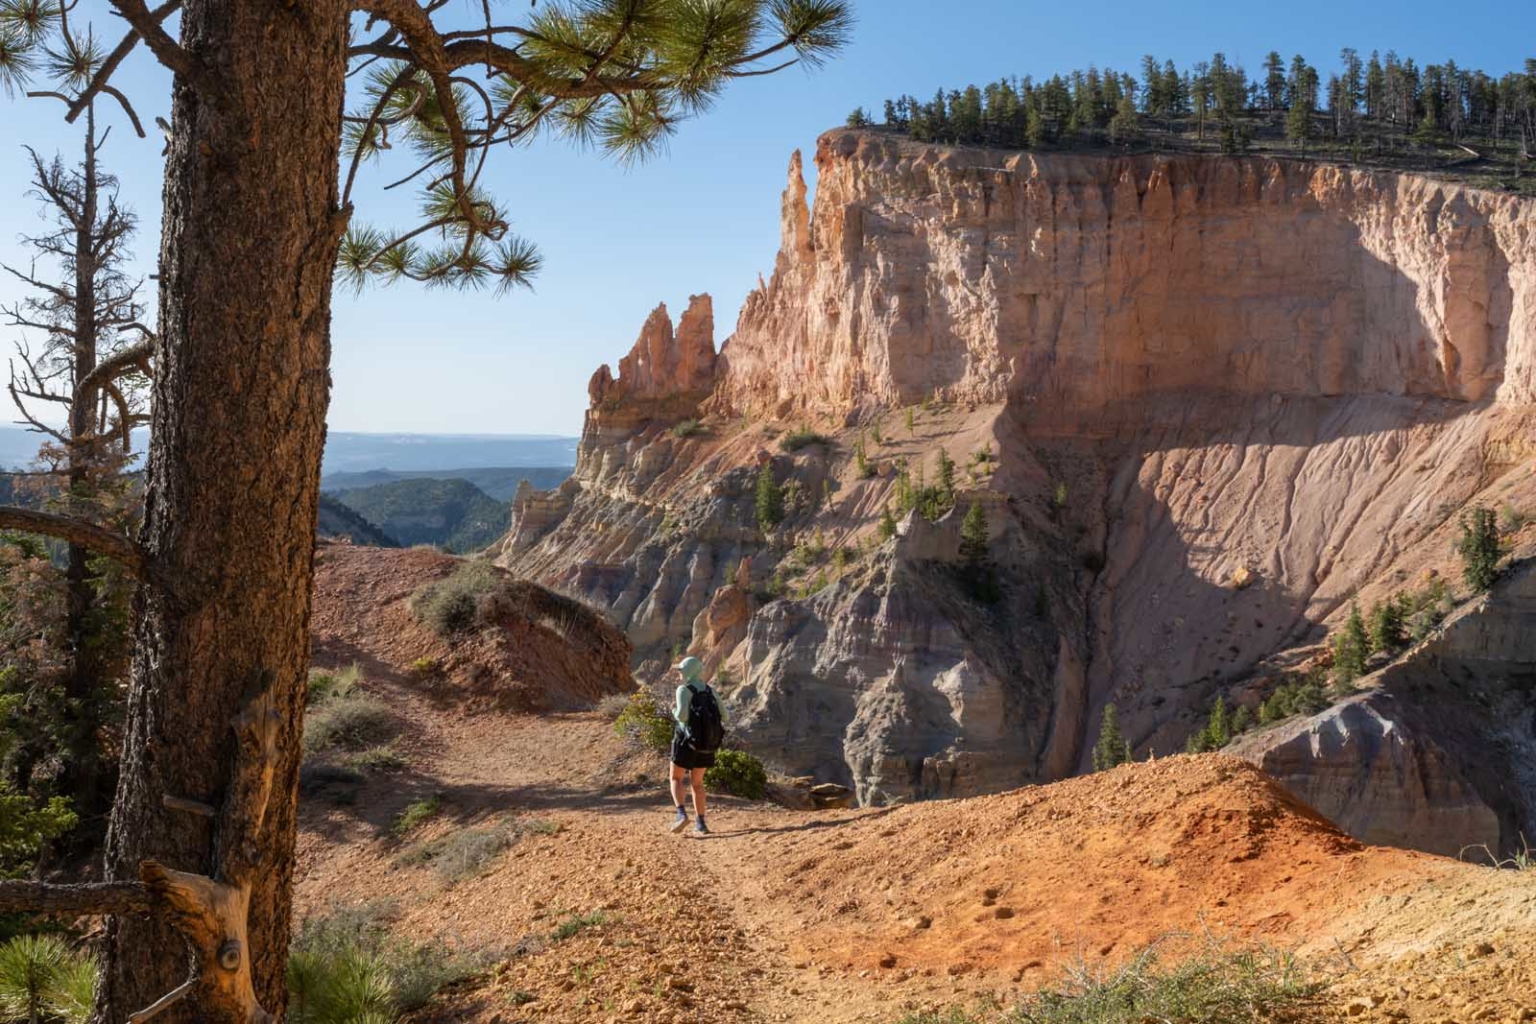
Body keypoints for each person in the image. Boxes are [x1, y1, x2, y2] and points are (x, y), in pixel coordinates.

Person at [668, 655, 724, 835]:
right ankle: (701, 823)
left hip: (685, 741)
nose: (679, 673)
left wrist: (673, 711)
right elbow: (726, 717)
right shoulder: (711, 691)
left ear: (688, 671)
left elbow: (683, 717)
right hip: (707, 744)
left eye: (681, 670)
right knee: (697, 783)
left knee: (676, 778)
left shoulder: (684, 690)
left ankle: (681, 814)